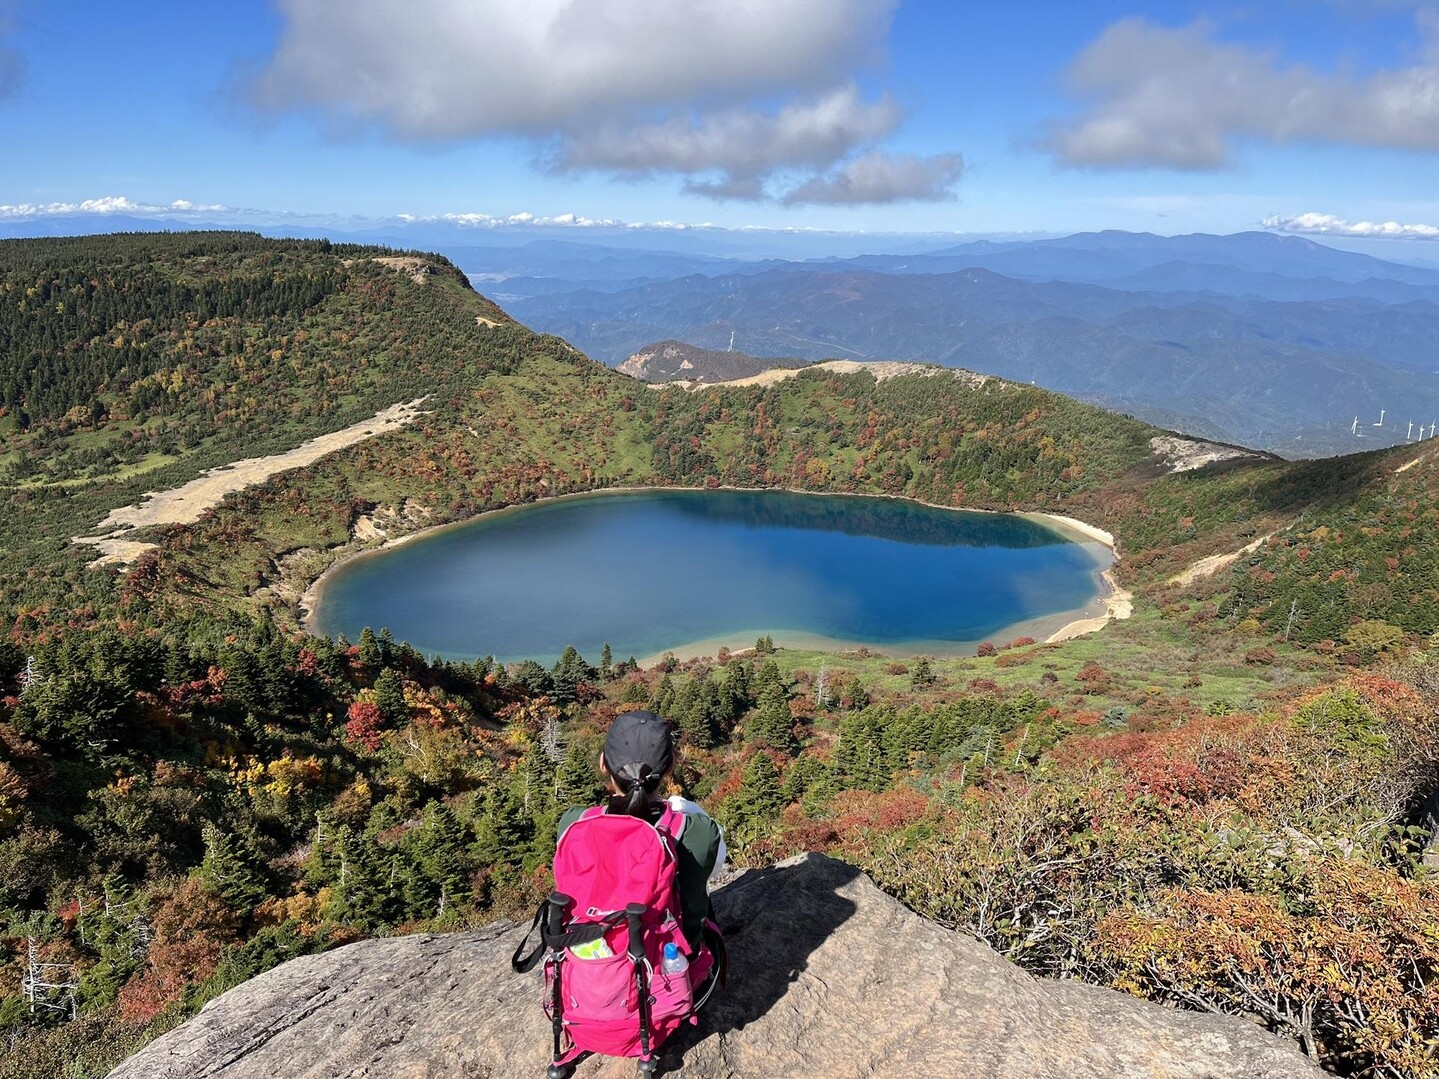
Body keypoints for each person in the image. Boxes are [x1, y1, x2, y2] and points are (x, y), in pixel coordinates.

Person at [557, 709, 726, 951]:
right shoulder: (697, 831)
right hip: (671, 962)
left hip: (588, 961)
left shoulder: (573, 822)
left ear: (603, 763)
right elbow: (712, 869)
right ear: (670, 767)